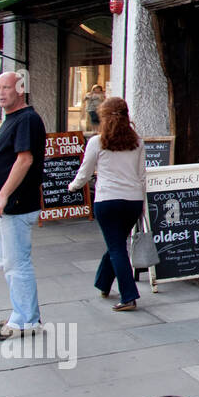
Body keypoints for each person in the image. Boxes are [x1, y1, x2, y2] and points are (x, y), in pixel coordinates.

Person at [69, 97, 147, 312]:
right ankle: (103, 283)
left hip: (107, 200)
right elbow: (142, 176)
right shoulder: (138, 141)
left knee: (116, 247)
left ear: (103, 117)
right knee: (116, 244)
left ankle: (129, 296)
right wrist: (141, 202)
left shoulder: (97, 142)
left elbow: (85, 172)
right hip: (132, 201)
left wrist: (73, 187)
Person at [0, 70, 47, 340]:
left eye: (6, 87)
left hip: (16, 205)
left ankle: (24, 320)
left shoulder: (27, 119)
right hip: (5, 206)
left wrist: (3, 196)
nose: (0, 93)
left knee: (16, 263)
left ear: (19, 89)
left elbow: (25, 160)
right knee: (8, 261)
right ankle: (24, 313)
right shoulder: (12, 118)